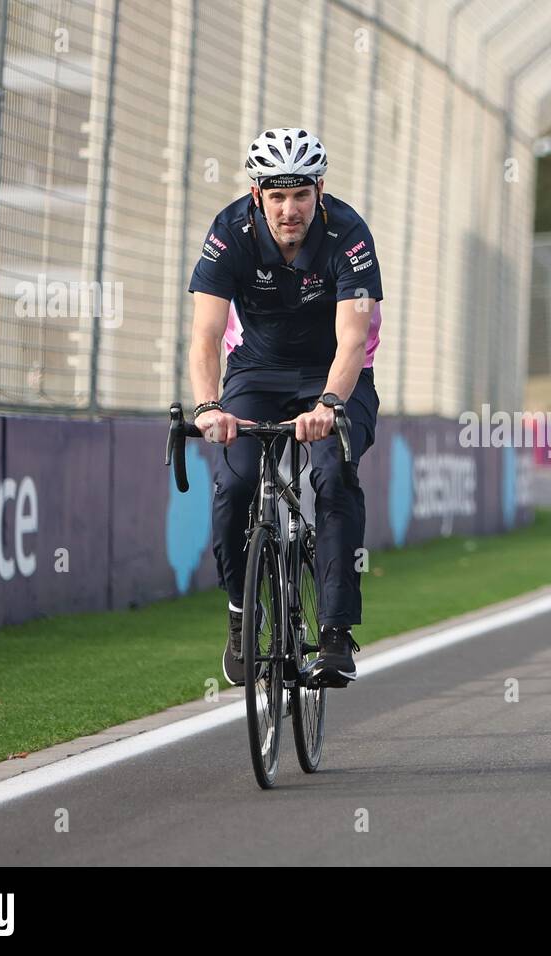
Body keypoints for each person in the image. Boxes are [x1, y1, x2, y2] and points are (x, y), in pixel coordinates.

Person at [187, 127, 383, 689]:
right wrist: (207, 407)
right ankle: (240, 612)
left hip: (335, 376)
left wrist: (328, 403)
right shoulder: (228, 232)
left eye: (301, 194)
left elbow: (353, 338)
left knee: (333, 473)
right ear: (257, 196)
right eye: (277, 196)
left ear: (320, 191)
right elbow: (205, 335)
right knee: (235, 482)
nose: (290, 209)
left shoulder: (349, 233)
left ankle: (335, 633)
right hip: (255, 370)